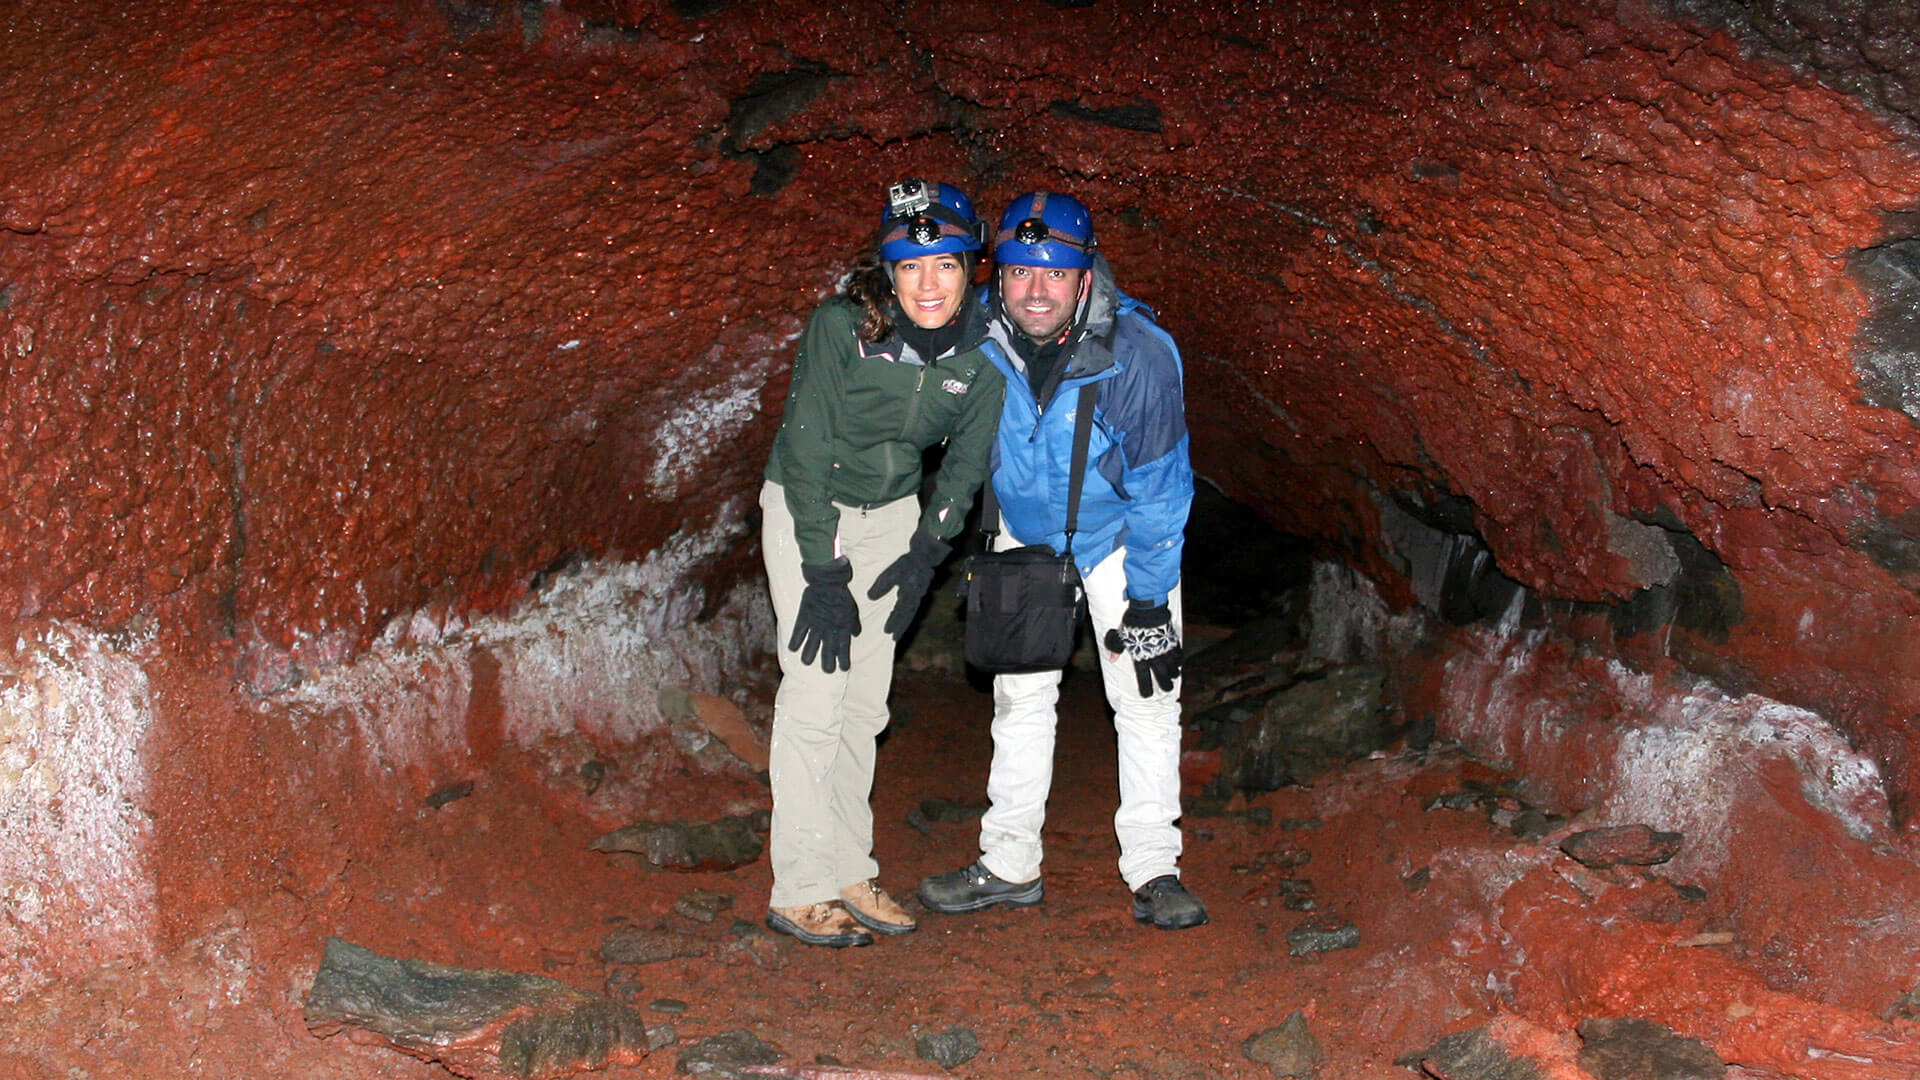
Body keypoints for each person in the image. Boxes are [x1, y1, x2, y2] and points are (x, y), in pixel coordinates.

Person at [918, 191, 1205, 930]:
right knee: (1020, 701)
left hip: (1117, 540)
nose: (1035, 291)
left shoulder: (1135, 355)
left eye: (1054, 275)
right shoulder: (977, 332)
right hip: (1026, 535)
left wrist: (1148, 599)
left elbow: (1161, 487)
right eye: (1018, 274)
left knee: (1145, 701)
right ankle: (1010, 861)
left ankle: (1154, 868)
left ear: (1085, 277)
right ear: (997, 278)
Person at [760, 178, 1007, 948]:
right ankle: (798, 885)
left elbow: (966, 463)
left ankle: (847, 868)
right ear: (887, 271)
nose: (927, 284)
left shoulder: (986, 354)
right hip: (812, 508)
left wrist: (929, 547)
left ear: (973, 268)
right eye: (909, 266)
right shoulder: (843, 327)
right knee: (815, 694)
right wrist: (823, 571)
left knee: (866, 706)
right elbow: (807, 451)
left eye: (945, 264)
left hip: (895, 517)